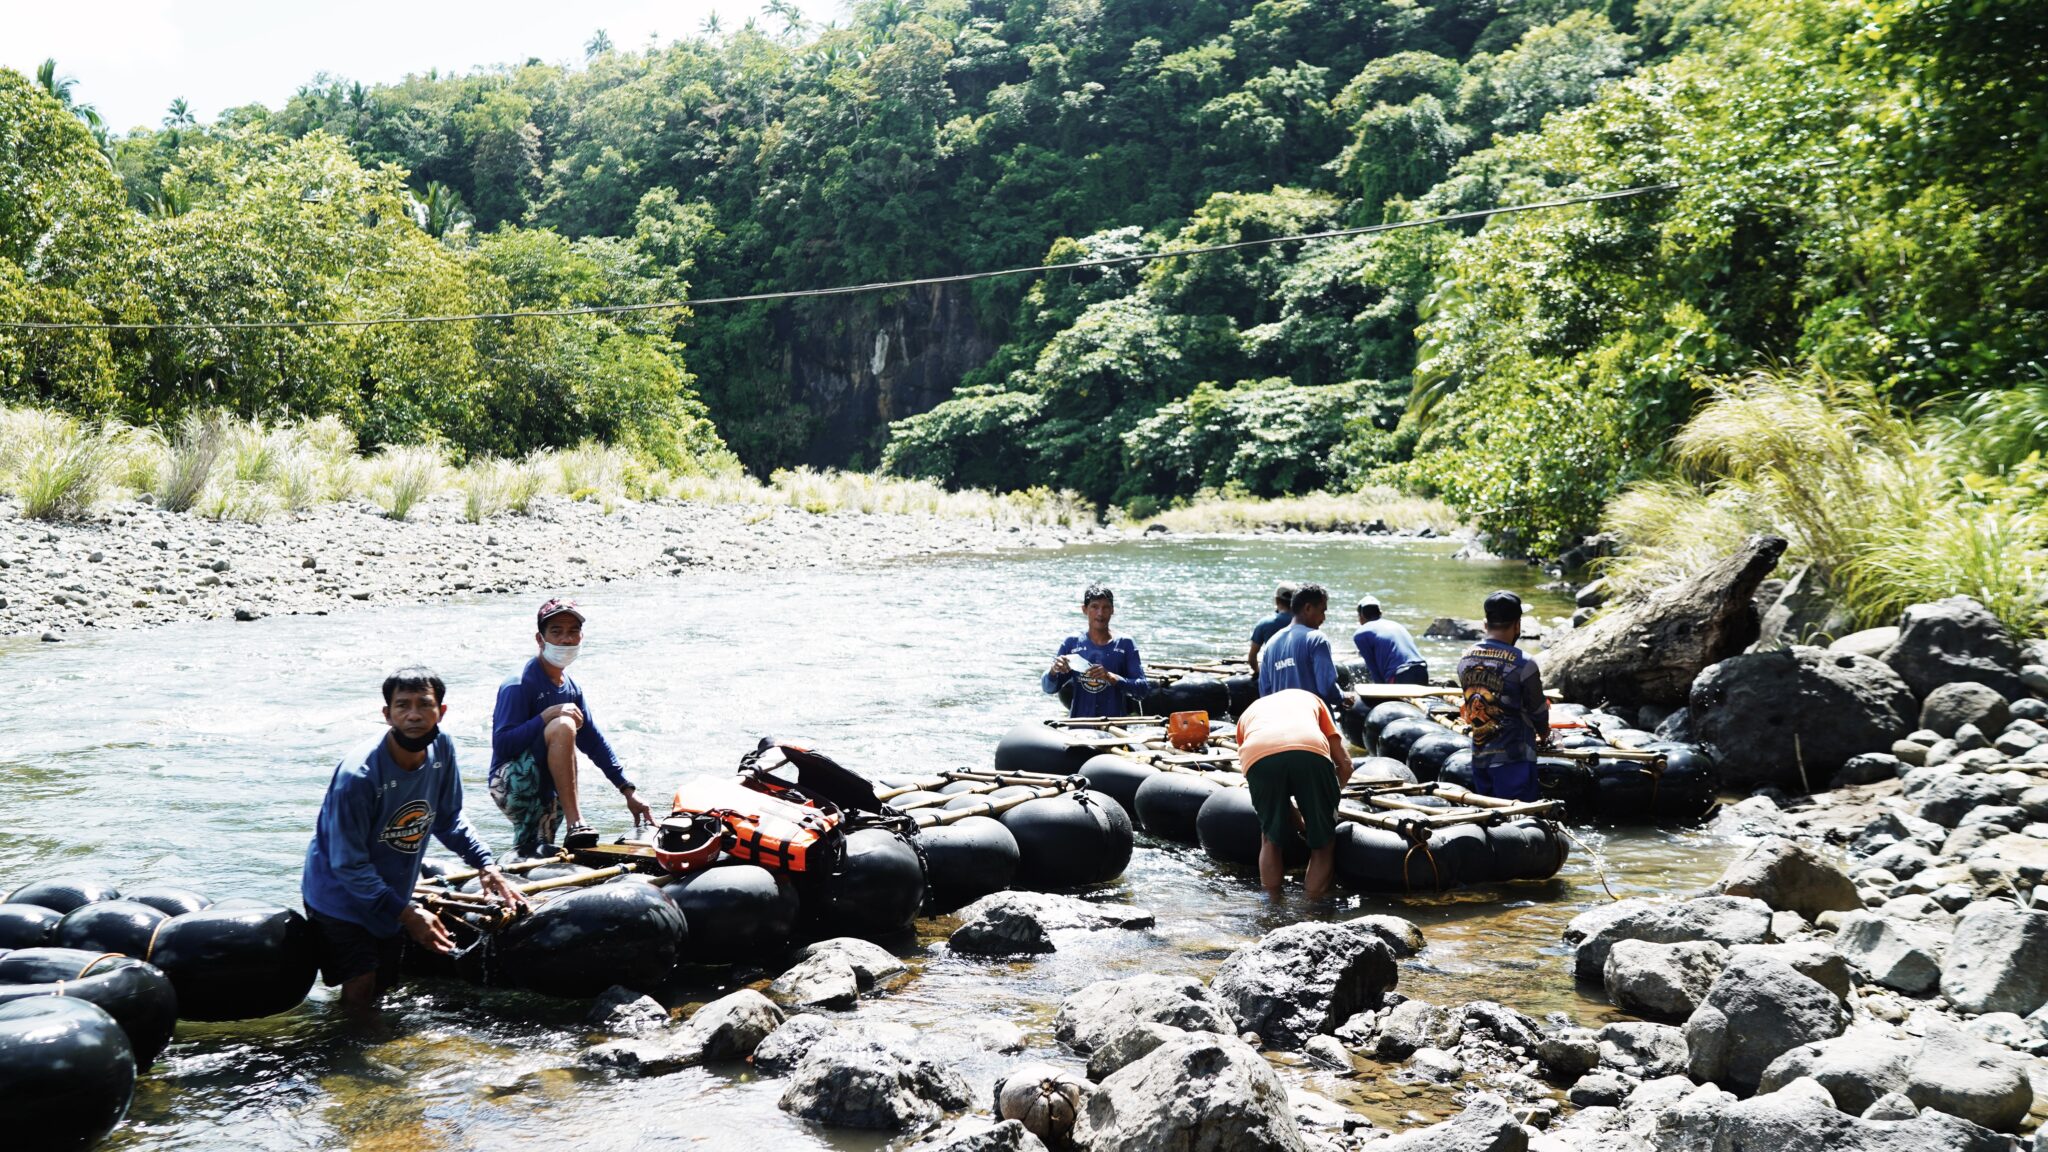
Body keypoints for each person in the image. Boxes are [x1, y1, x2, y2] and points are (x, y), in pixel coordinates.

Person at [302, 667, 526, 1016]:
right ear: (386, 714)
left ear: (442, 710)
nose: (414, 715)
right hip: (338, 894)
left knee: (385, 987)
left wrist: (485, 864)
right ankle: (346, 1062)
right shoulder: (358, 777)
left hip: (391, 890)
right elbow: (348, 864)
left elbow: (448, 817)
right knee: (360, 986)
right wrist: (408, 913)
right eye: (402, 706)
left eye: (424, 704)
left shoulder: (442, 747)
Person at [490, 599, 653, 855]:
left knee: (535, 849)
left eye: (573, 631)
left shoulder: (572, 688)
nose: (566, 639)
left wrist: (627, 790)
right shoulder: (518, 684)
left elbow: (592, 740)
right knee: (564, 723)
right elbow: (502, 745)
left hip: (550, 786)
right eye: (556, 631)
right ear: (540, 639)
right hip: (513, 781)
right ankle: (576, 822)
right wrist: (545, 716)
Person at [1236, 687, 1353, 899]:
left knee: (1270, 839)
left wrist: (1296, 816)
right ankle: (1311, 908)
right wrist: (1327, 803)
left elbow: (1266, 786)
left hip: (1257, 754)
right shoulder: (1313, 699)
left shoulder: (1250, 711)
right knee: (1323, 843)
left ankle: (1272, 905)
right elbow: (1345, 765)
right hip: (1309, 749)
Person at [1457, 590, 1550, 801]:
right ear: (1517, 624)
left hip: (1480, 758)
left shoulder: (1465, 659)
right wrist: (1544, 733)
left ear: (1485, 624)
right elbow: (1537, 710)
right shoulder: (1525, 663)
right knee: (1518, 822)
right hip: (1514, 760)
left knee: (1493, 822)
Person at [1041, 583, 1151, 718]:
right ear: (1084, 609)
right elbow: (1049, 688)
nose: (1100, 613)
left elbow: (1142, 690)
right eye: (1094, 607)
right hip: (1079, 726)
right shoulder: (1072, 643)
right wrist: (1053, 671)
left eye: (1105, 608)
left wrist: (1110, 677)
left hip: (1114, 727)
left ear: (1112, 610)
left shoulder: (1125, 644)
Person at [1257, 583, 1345, 711]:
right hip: (1312, 724)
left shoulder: (1271, 645)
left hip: (1280, 722)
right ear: (1308, 608)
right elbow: (1326, 688)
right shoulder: (1317, 639)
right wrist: (1343, 697)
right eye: (1322, 611)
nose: (1324, 618)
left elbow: (1265, 693)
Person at [1353, 596, 1429, 685]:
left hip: (1400, 675)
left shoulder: (1361, 634)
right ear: (1380, 613)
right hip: (1422, 670)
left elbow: (1373, 668)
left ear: (1361, 616)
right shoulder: (1396, 625)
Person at [1246, 582, 1297, 667]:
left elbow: (1252, 657)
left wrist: (1257, 672)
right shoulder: (1304, 622)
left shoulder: (1265, 623)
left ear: (1276, 600)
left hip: (1273, 671)